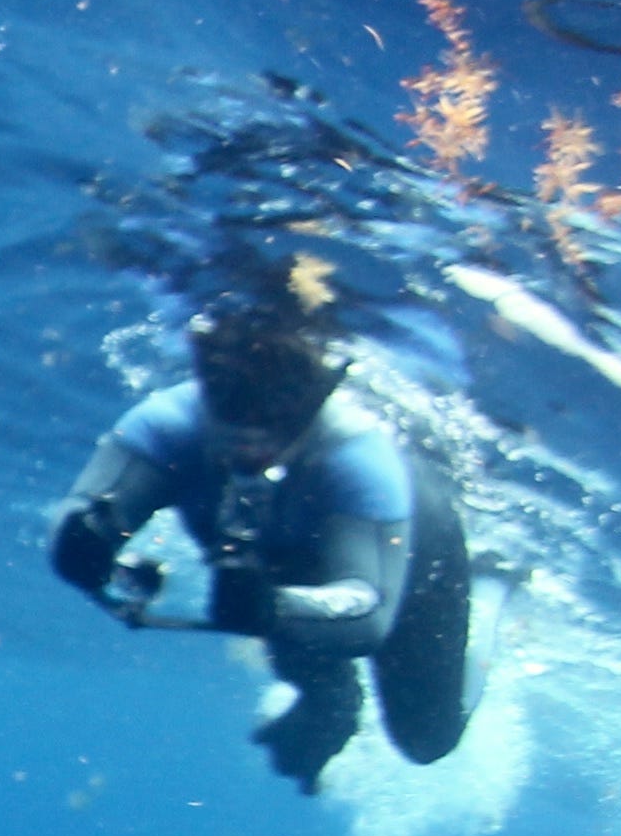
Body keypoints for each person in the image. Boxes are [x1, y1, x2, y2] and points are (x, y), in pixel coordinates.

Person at [49, 300, 481, 793]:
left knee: (426, 737)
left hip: (413, 558)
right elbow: (84, 515)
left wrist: (275, 607)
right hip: (283, 567)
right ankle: (330, 705)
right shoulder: (169, 424)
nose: (247, 447)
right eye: (229, 419)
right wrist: (89, 550)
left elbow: (369, 613)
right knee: (314, 682)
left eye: (268, 429)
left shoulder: (358, 454)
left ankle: (490, 587)